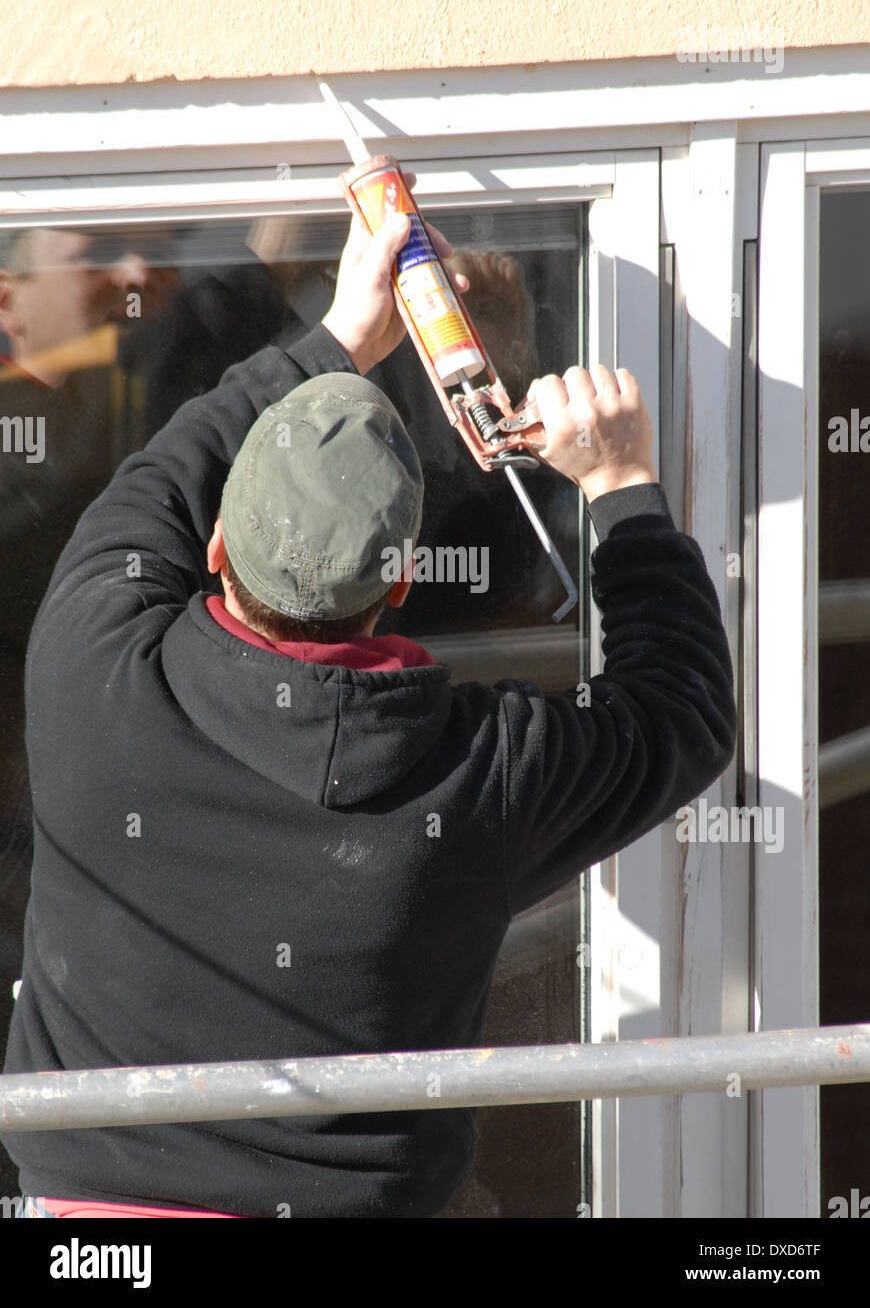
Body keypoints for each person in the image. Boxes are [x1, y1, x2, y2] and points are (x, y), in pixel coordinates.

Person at [1, 210, 737, 1218]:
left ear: (215, 549)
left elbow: (164, 474)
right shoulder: (479, 775)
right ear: (400, 586)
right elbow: (680, 710)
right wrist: (618, 480)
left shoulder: (91, 657)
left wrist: (341, 331)